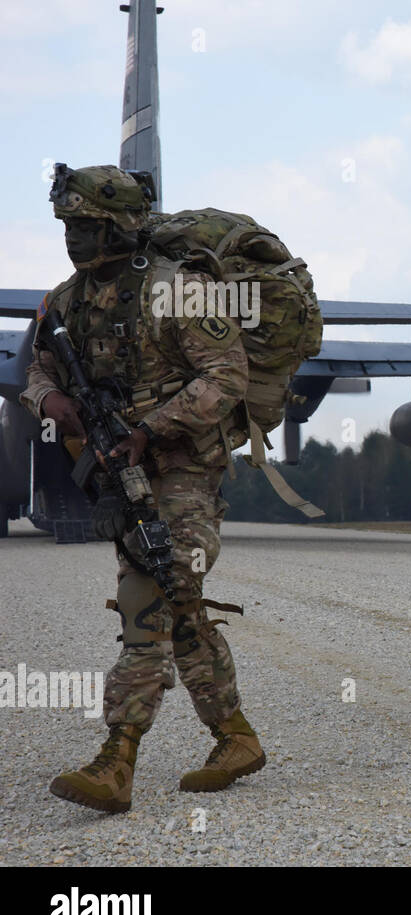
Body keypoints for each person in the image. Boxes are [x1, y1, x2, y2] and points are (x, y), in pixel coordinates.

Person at [21, 164, 263, 813]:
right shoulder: (66, 301)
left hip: (183, 463)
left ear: (121, 228)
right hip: (120, 466)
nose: (73, 237)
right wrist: (54, 403)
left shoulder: (176, 293)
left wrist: (151, 429)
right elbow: (37, 365)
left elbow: (226, 376)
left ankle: (118, 755)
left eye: (87, 226)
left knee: (153, 591)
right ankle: (234, 735)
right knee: (172, 602)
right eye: (68, 225)